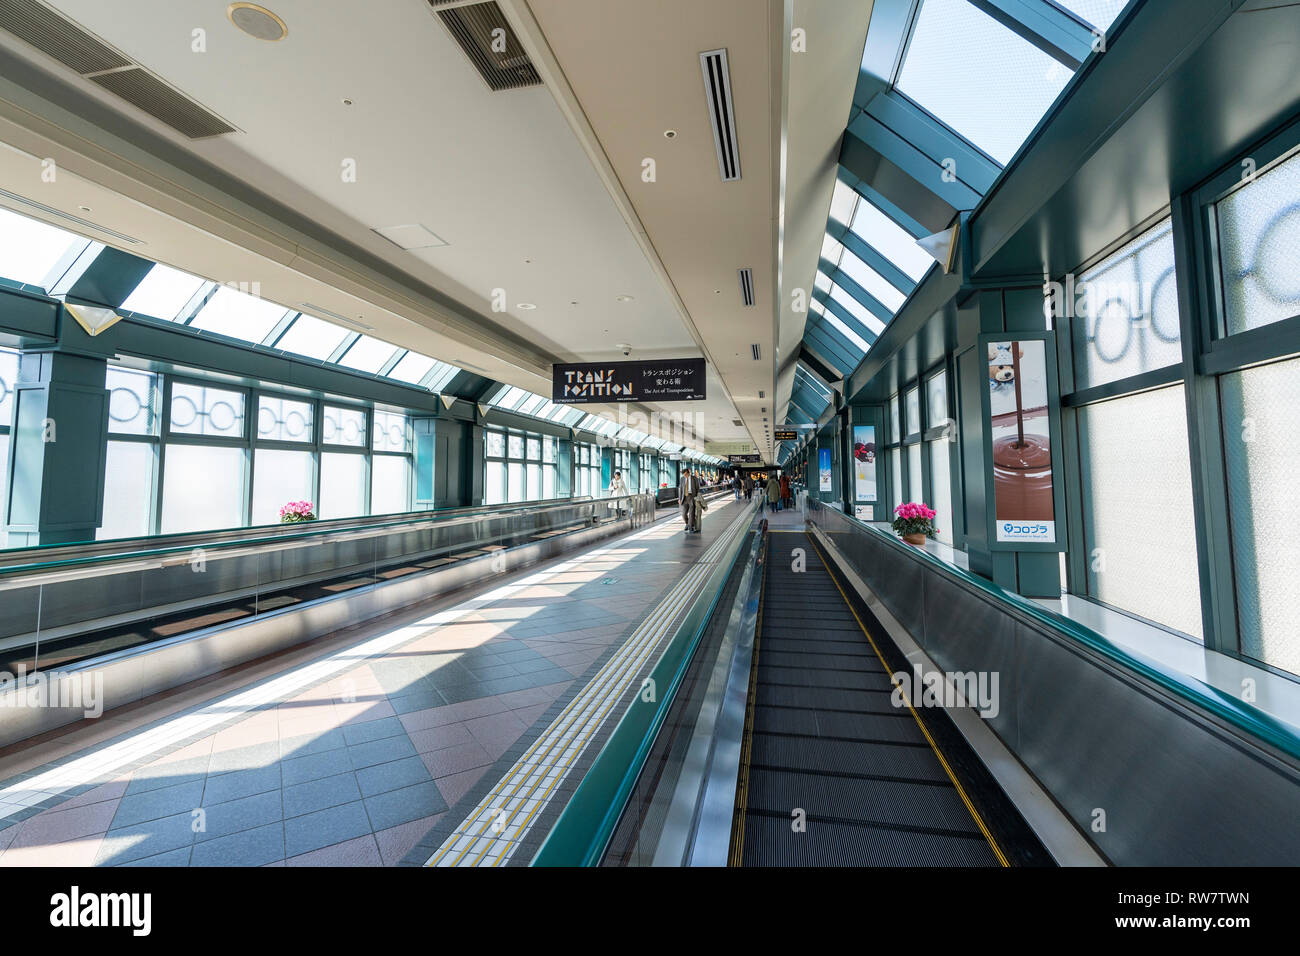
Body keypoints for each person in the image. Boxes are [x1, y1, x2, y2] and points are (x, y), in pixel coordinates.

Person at [680, 467, 701, 533]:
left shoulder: (694, 478)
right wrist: (679, 498)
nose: (685, 476)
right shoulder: (682, 479)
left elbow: (697, 488)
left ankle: (690, 527)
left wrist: (697, 497)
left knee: (691, 513)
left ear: (689, 473)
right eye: (684, 474)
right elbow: (680, 489)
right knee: (684, 514)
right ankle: (687, 524)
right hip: (685, 498)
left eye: (686, 474)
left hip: (692, 497)